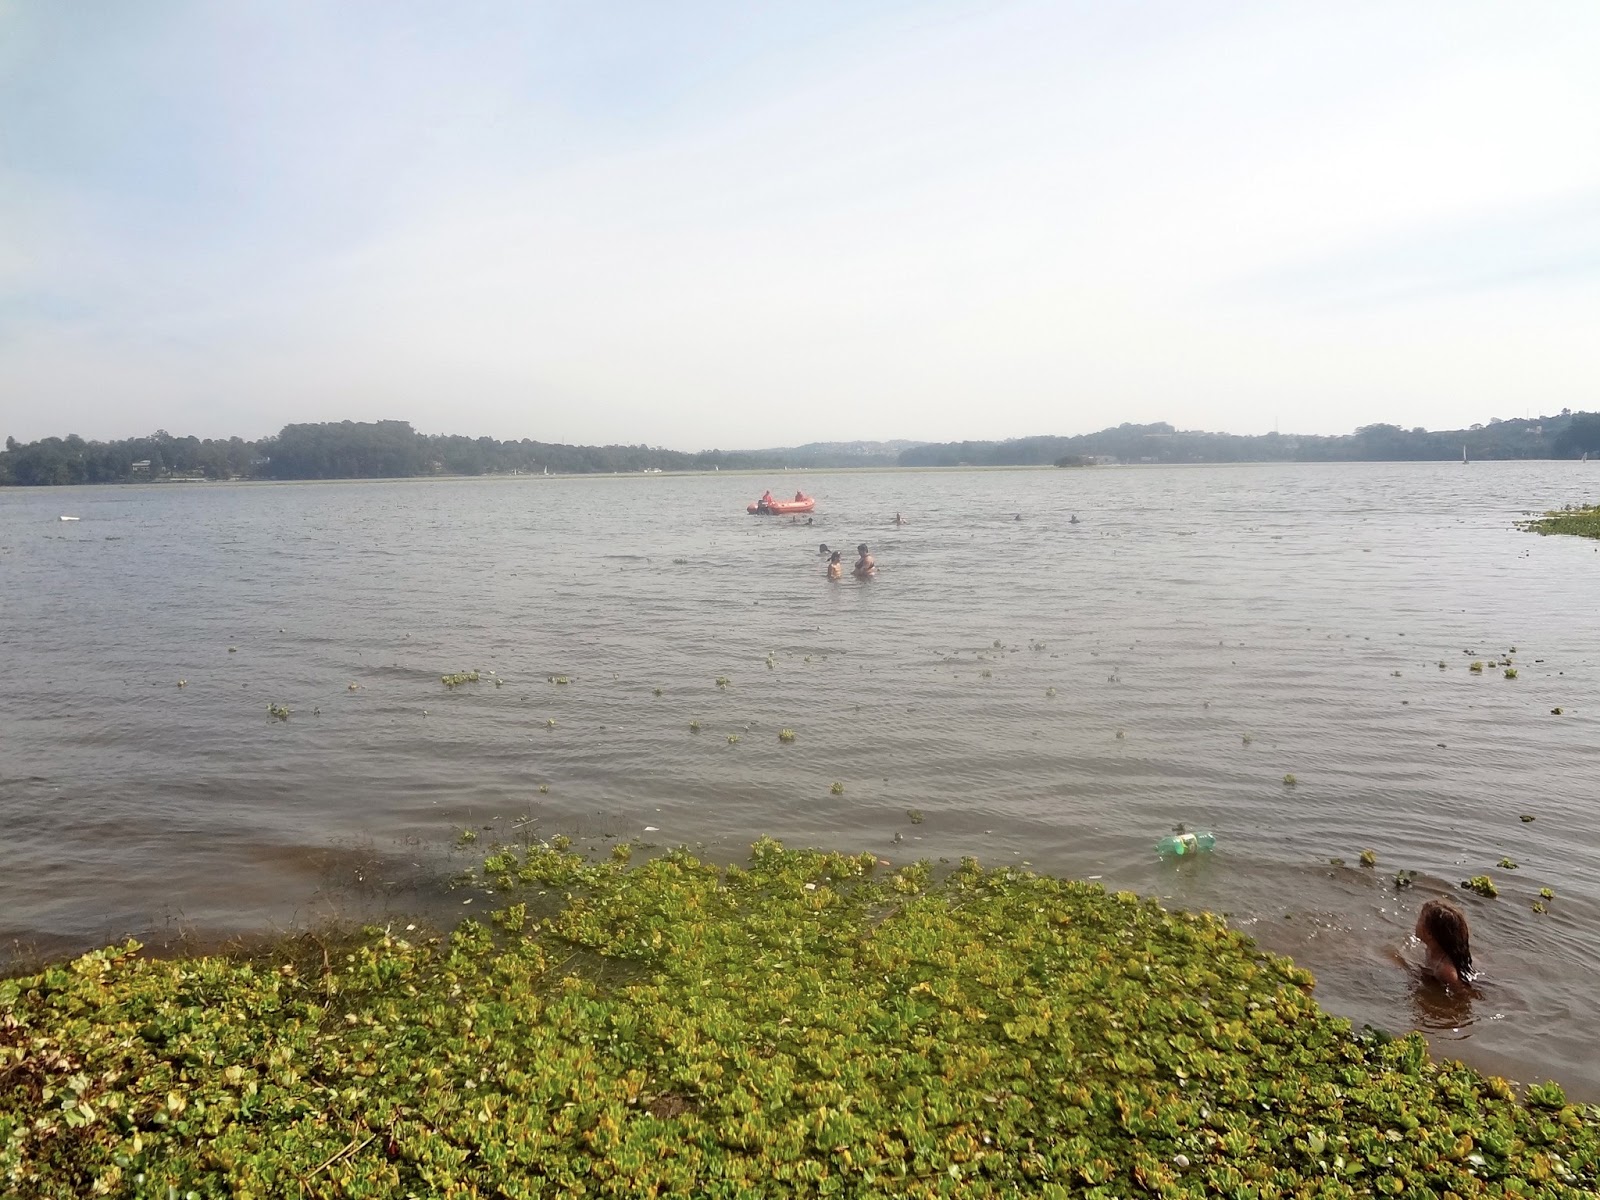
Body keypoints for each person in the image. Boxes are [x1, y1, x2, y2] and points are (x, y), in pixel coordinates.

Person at [1415, 899, 1473, 987]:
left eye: (1420, 920)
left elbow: (1462, 994)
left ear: (1429, 933)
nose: (1416, 923)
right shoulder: (1430, 949)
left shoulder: (1446, 971)